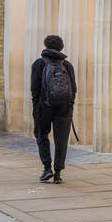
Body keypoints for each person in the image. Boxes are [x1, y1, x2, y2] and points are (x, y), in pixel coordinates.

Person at [31, 35, 76, 184]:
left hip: (43, 107)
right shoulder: (67, 65)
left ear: (45, 46)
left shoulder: (38, 64)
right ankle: (58, 173)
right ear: (61, 47)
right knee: (61, 139)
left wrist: (36, 107)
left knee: (41, 135)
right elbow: (74, 89)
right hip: (64, 107)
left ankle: (47, 168)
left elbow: (34, 89)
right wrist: (69, 104)